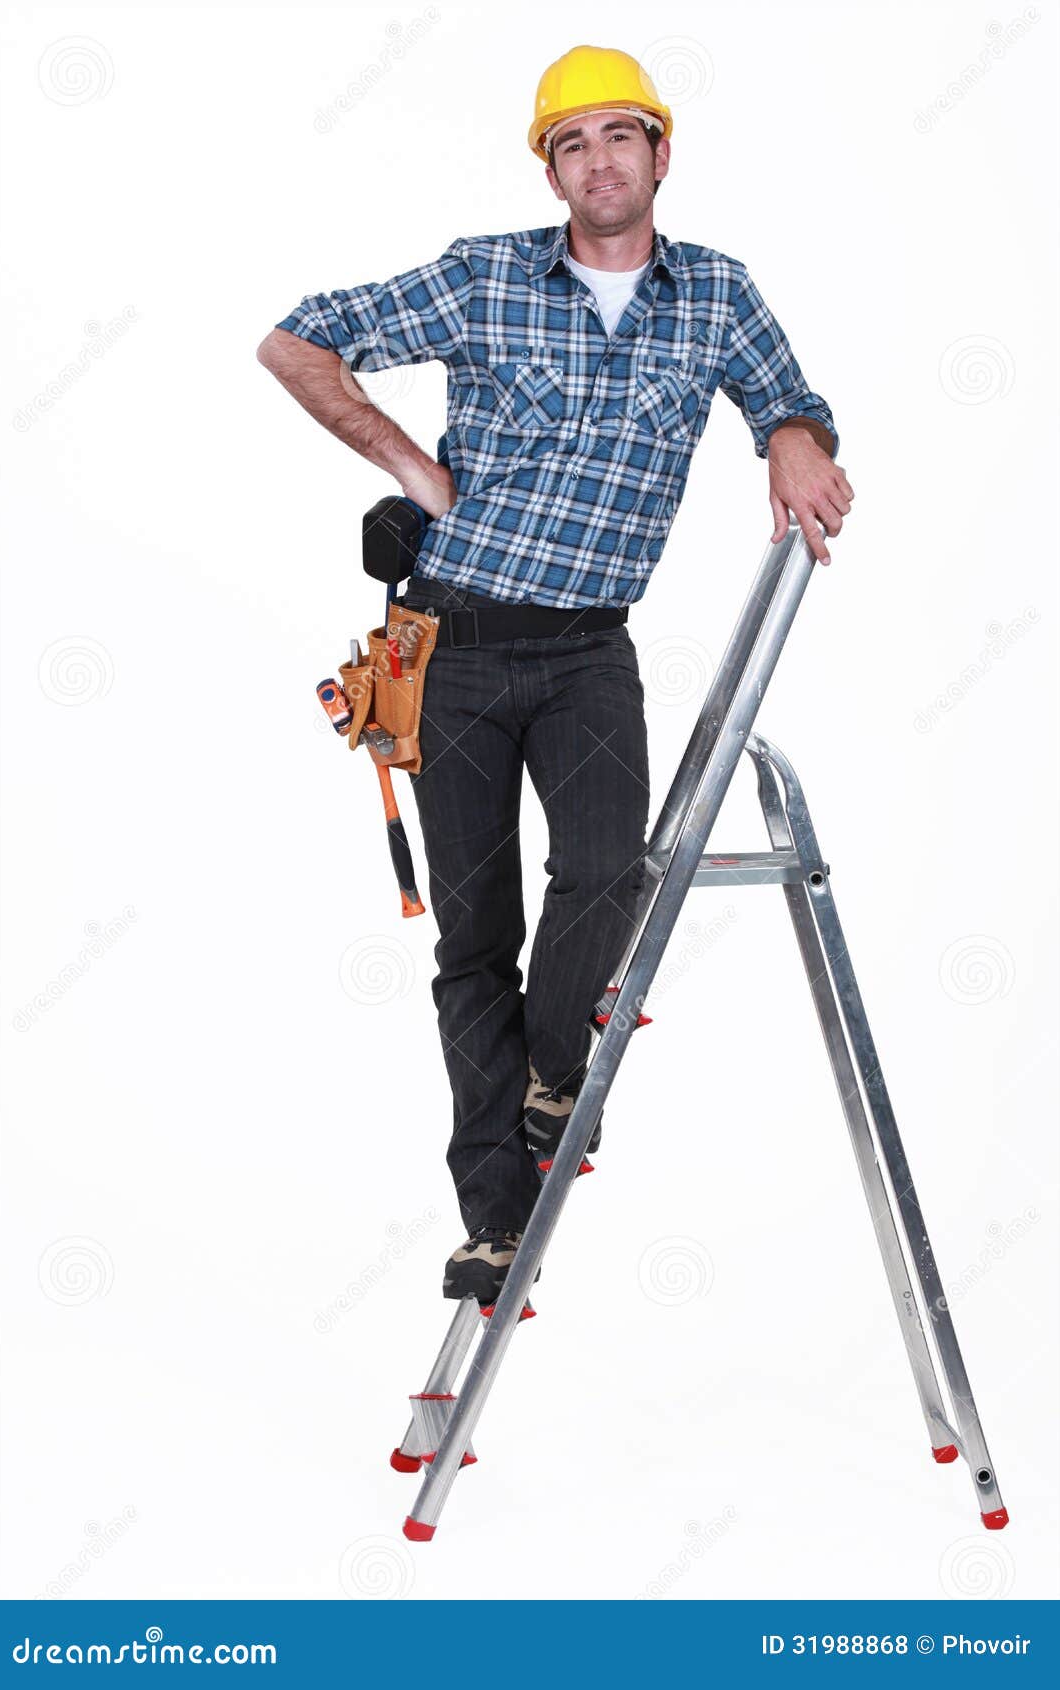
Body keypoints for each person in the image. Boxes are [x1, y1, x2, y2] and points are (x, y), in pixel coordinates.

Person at [257, 43, 855, 1305]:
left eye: (618, 136)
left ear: (659, 153)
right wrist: (412, 469)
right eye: (570, 144)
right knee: (474, 940)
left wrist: (793, 441)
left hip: (588, 647)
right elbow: (297, 341)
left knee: (603, 869)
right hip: (452, 650)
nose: (597, 161)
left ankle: (547, 1068)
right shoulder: (484, 276)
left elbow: (786, 397)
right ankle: (492, 1221)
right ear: (550, 171)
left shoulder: (714, 293)